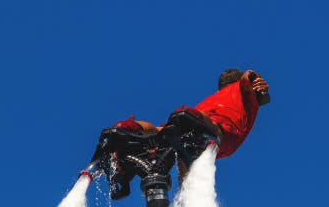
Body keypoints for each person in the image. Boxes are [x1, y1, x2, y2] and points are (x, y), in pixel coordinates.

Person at [111, 69, 270, 180]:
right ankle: (187, 200)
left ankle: (127, 128)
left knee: (162, 130)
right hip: (210, 130)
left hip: (200, 123)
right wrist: (255, 79)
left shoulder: (222, 95)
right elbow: (248, 77)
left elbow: (248, 78)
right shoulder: (240, 94)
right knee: (191, 138)